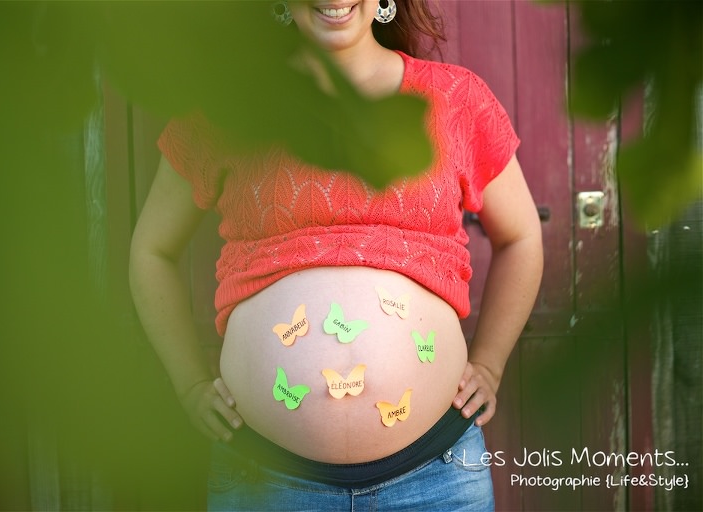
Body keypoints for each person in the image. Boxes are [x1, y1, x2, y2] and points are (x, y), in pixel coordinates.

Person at [129, 1, 543, 510]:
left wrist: (490, 365)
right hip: (266, 481)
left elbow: (521, 237)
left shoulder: (455, 100)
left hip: (435, 480)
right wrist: (190, 383)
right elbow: (151, 250)